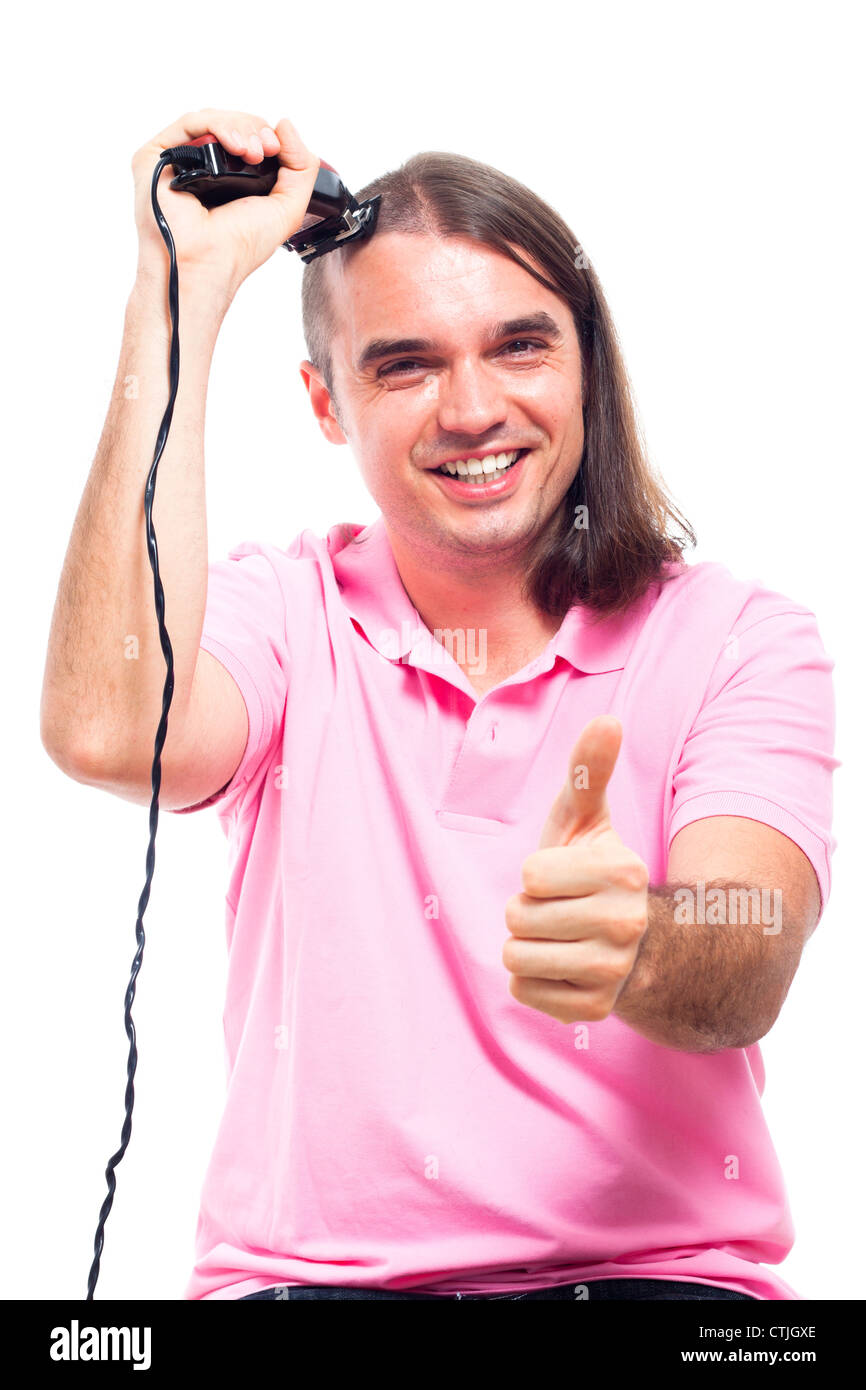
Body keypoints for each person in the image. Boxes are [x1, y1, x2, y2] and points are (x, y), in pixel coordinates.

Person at [40, 107, 838, 1302]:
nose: (471, 411)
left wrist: (644, 942)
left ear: (585, 366)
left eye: (519, 347)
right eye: (404, 364)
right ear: (324, 405)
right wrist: (175, 301)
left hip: (658, 1288)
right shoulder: (282, 614)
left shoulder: (737, 636)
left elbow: (746, 960)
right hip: (313, 1291)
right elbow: (109, 729)